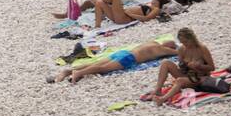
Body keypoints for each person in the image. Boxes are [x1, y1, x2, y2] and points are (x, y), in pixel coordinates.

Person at [49, 37, 180, 83]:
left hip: (123, 52)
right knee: (102, 69)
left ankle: (67, 71)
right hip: (129, 58)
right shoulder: (161, 49)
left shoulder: (152, 42)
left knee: (94, 63)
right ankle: (78, 73)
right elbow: (178, 52)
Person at [152, 28, 216, 105]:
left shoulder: (202, 49)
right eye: (182, 42)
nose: (184, 44)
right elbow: (182, 67)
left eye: (186, 42)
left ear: (192, 39)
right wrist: (184, 65)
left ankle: (163, 99)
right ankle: (157, 90)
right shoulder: (182, 49)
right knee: (165, 62)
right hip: (188, 75)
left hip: (201, 78)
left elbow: (212, 68)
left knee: (179, 80)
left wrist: (200, 66)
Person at [92, 0, 162, 28]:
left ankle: (104, 2)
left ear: (158, 1)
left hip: (125, 18)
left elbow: (146, 18)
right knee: (99, 3)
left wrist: (130, 14)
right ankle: (97, 26)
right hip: (121, 15)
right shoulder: (149, 4)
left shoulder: (156, 9)